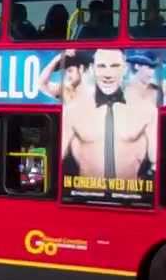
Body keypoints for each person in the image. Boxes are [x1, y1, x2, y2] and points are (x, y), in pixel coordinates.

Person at [62, 48, 157, 182]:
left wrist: (141, 192)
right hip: (84, 196)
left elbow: (156, 162)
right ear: (93, 69)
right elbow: (57, 157)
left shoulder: (147, 110)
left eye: (115, 66)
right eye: (101, 66)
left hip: (131, 198)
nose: (108, 74)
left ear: (124, 69)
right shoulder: (73, 110)